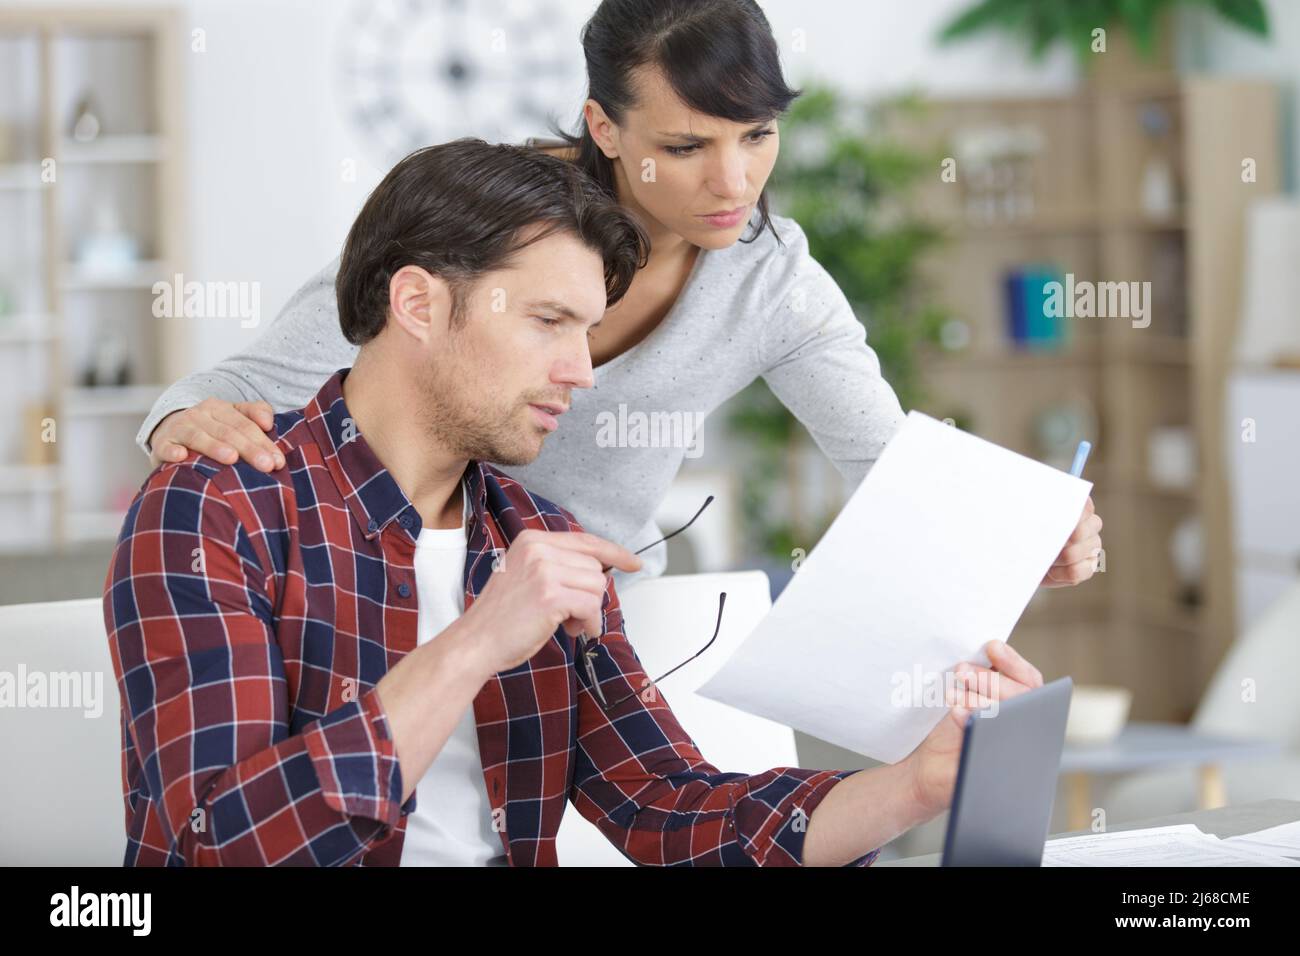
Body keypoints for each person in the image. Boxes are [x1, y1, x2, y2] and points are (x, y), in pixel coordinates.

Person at [104, 138, 1045, 867]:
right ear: (421, 305)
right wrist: (475, 643)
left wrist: (917, 785)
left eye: (589, 333)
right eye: (551, 323)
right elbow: (219, 841)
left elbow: (670, 808)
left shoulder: (536, 541)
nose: (582, 374)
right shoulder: (211, 512)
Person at [135, 0, 1103, 588]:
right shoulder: (480, 223)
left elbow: (887, 463)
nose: (733, 182)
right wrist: (189, 424)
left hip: (596, 619)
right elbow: (225, 390)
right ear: (602, 125)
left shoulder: (770, 281)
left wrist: (1016, 530)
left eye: (757, 135)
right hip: (403, 599)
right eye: (685, 146)